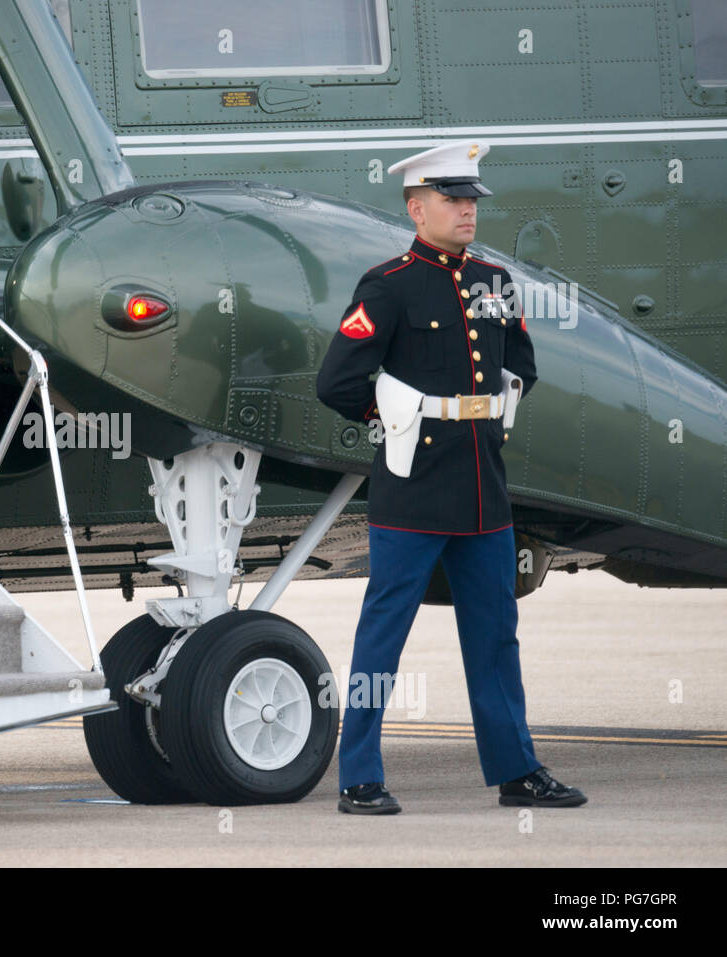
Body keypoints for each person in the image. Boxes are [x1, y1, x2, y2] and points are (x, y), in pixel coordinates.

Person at [315, 141, 586, 814]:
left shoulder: (495, 281)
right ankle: (359, 777)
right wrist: (394, 411)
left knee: (495, 633)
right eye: (453, 200)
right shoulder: (389, 284)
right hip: (413, 485)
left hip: (481, 484)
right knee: (384, 633)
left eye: (471, 200)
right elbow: (337, 380)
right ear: (417, 207)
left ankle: (516, 768)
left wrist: (502, 402)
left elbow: (521, 363)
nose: (468, 210)